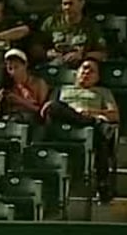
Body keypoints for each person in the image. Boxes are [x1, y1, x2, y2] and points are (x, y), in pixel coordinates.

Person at [42, 57, 120, 200]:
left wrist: (93, 113)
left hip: (87, 129)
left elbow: (114, 115)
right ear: (76, 72)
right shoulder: (63, 89)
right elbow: (48, 109)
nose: (86, 72)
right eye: (84, 68)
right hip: (66, 125)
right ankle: (90, 122)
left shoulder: (102, 92)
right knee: (54, 106)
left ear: (97, 77)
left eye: (92, 71)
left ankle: (103, 184)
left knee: (99, 137)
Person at [0, 48, 48, 123]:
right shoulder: (7, 85)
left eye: (16, 67)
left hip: (33, 119)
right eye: (10, 68)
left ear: (25, 65)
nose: (13, 72)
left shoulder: (39, 83)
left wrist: (20, 101)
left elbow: (42, 111)